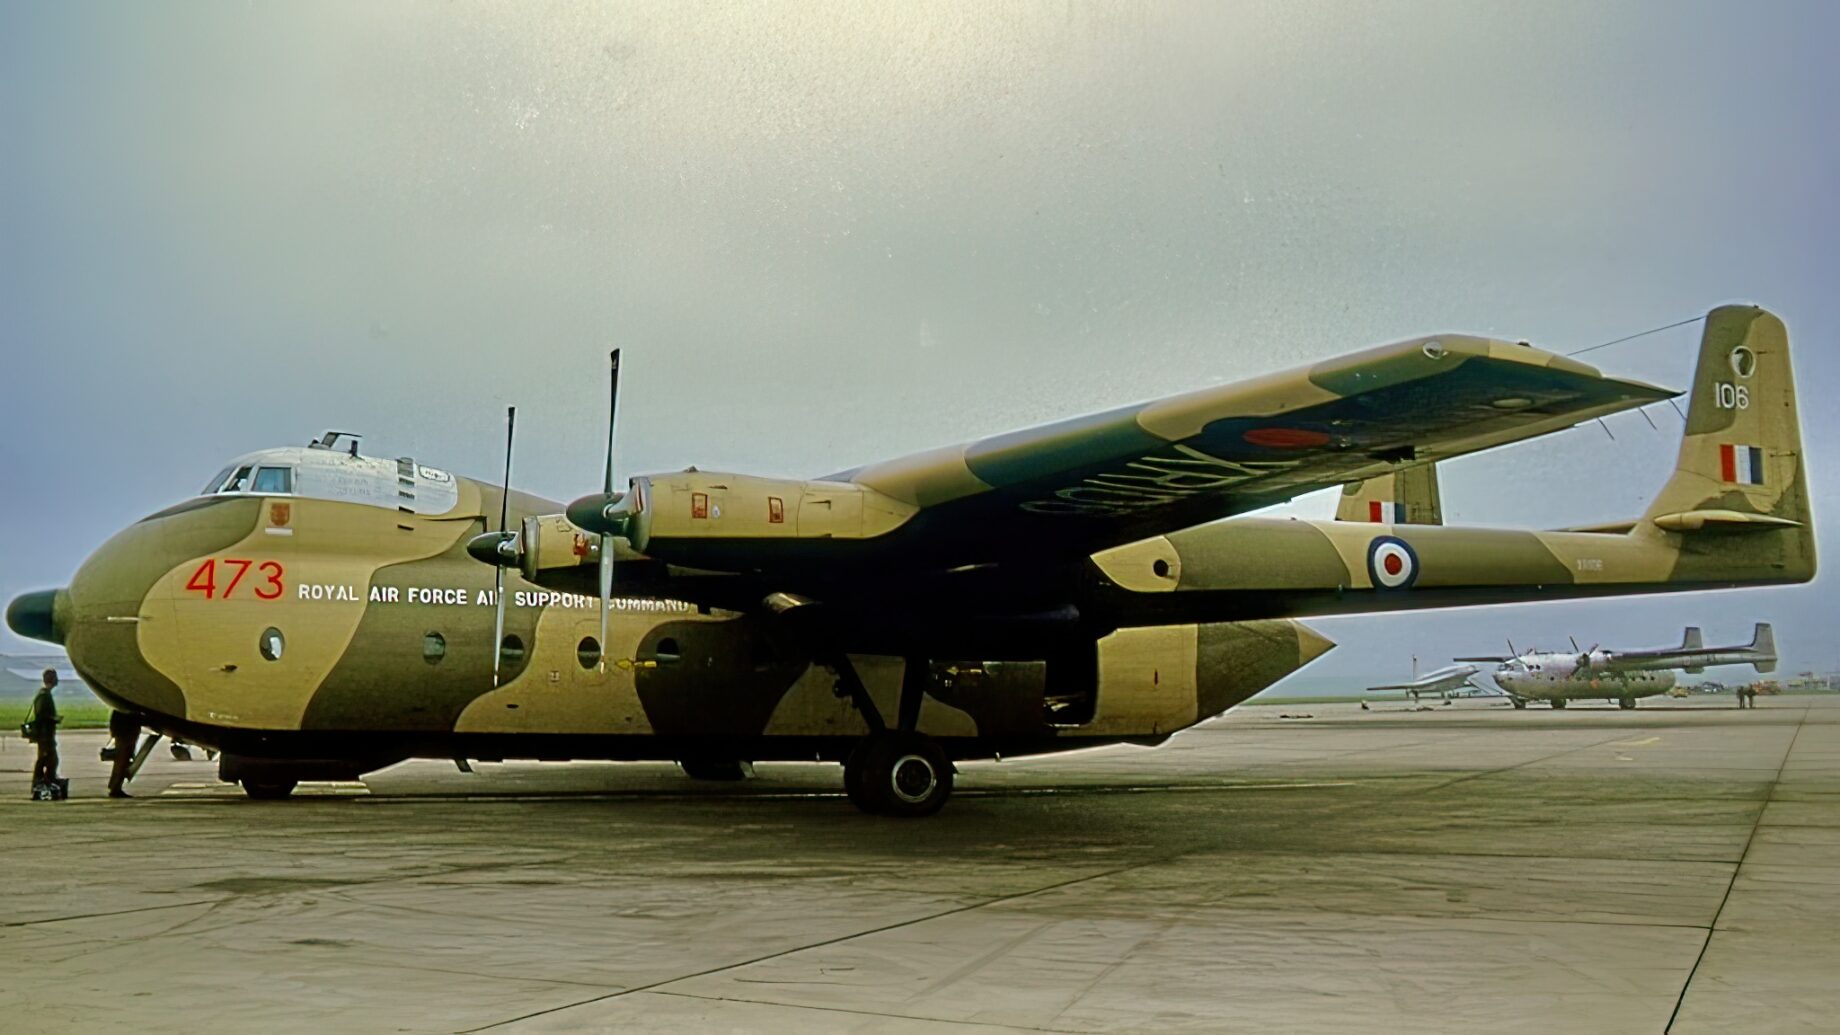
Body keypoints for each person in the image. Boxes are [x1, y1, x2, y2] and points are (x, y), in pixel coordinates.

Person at [25, 669, 61, 788]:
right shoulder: (44, 695)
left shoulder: (45, 694)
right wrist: (53, 719)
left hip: (46, 734)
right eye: (55, 678)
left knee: (48, 759)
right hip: (44, 734)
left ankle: (44, 782)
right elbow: (41, 715)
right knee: (48, 759)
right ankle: (42, 782)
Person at [107, 710, 142, 798]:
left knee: (120, 762)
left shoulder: (121, 708)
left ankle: (114, 786)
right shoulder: (128, 711)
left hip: (124, 733)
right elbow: (135, 718)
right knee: (122, 762)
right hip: (126, 734)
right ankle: (115, 787)